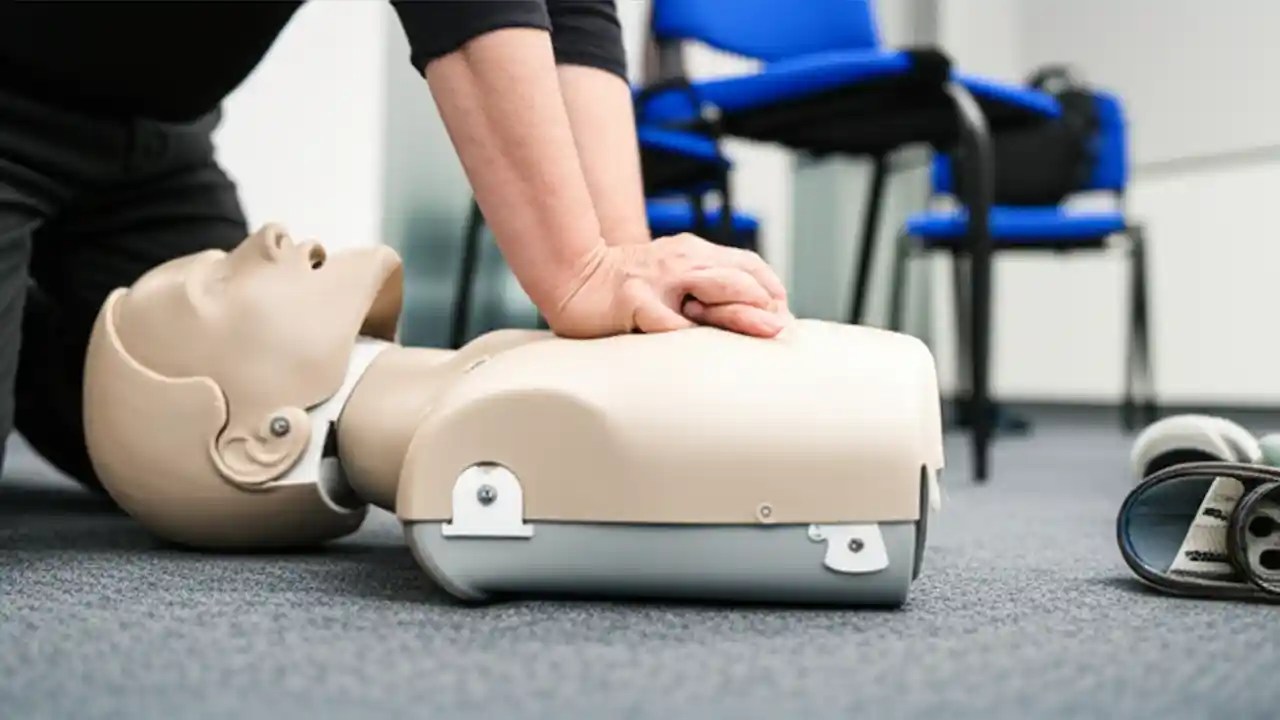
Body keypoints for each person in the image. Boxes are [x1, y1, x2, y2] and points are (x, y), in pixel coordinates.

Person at [0, 0, 791, 488]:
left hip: (155, 148)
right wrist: (581, 271)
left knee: (229, 461)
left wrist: (628, 273)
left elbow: (572, 11)